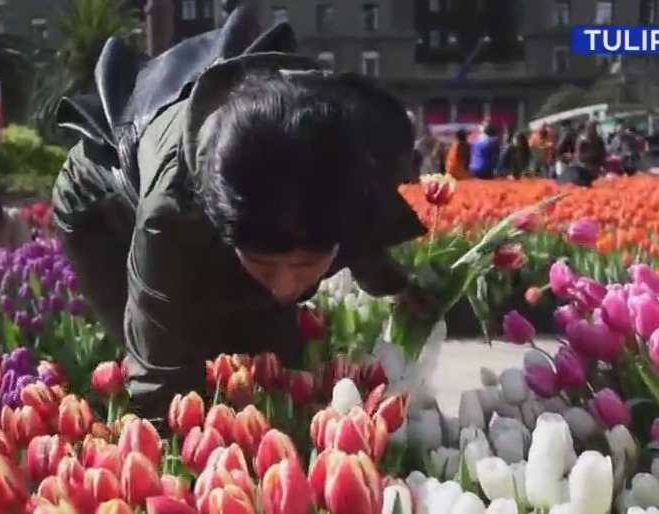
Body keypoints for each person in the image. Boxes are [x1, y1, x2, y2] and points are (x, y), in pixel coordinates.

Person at [50, 6, 433, 419]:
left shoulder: (345, 159)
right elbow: (158, 368)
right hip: (104, 211)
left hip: (242, 208)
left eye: (306, 264)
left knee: (275, 361)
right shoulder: (171, 213)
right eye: (266, 266)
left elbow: (357, 229)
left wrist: (395, 283)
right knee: (186, 361)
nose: (286, 286)